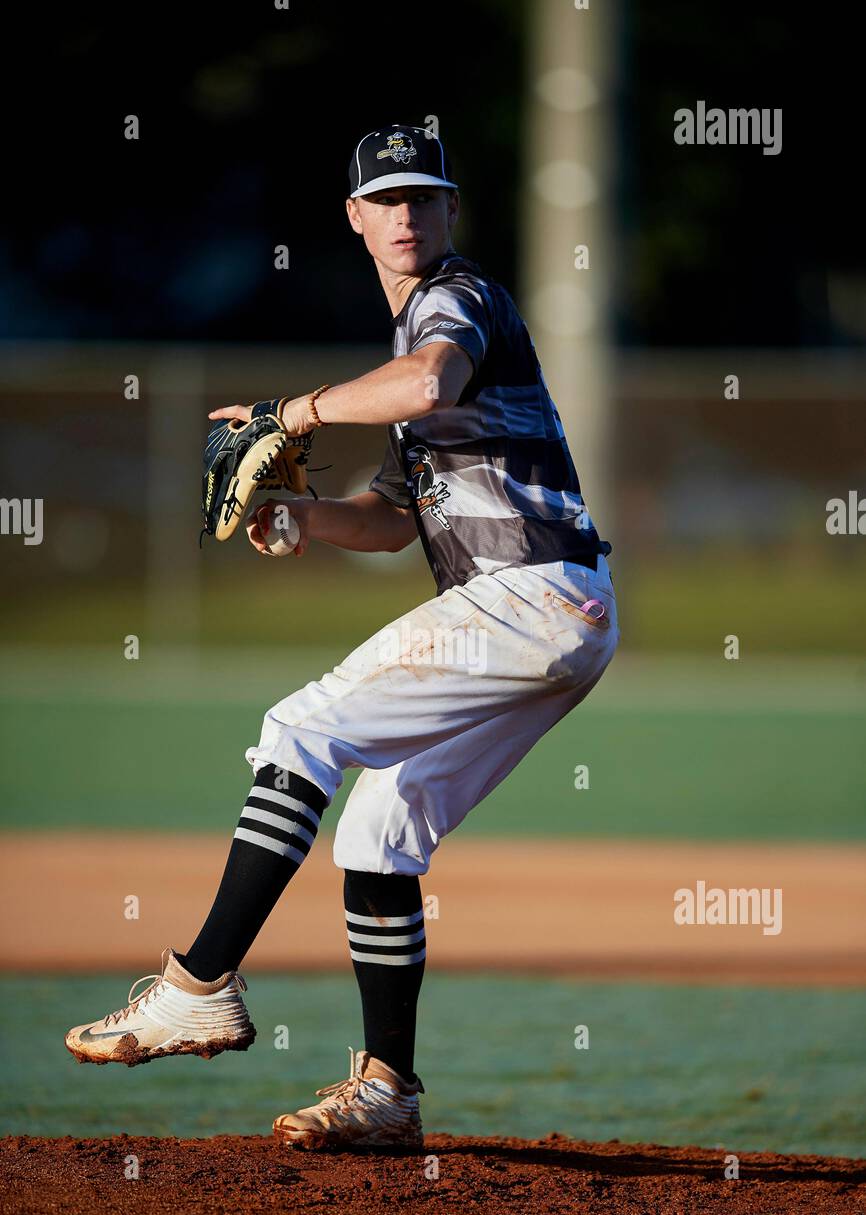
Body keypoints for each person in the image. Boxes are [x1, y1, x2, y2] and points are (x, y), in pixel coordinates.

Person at [65, 123, 620, 1151]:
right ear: (355, 218)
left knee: (297, 728)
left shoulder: (457, 302)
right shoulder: (415, 348)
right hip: (559, 612)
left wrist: (291, 412)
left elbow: (423, 385)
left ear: (450, 212)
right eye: (386, 199)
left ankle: (198, 983)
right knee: (378, 831)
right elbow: (395, 517)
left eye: (424, 197)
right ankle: (386, 1090)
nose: (406, 216)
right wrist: (306, 518)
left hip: (529, 595)